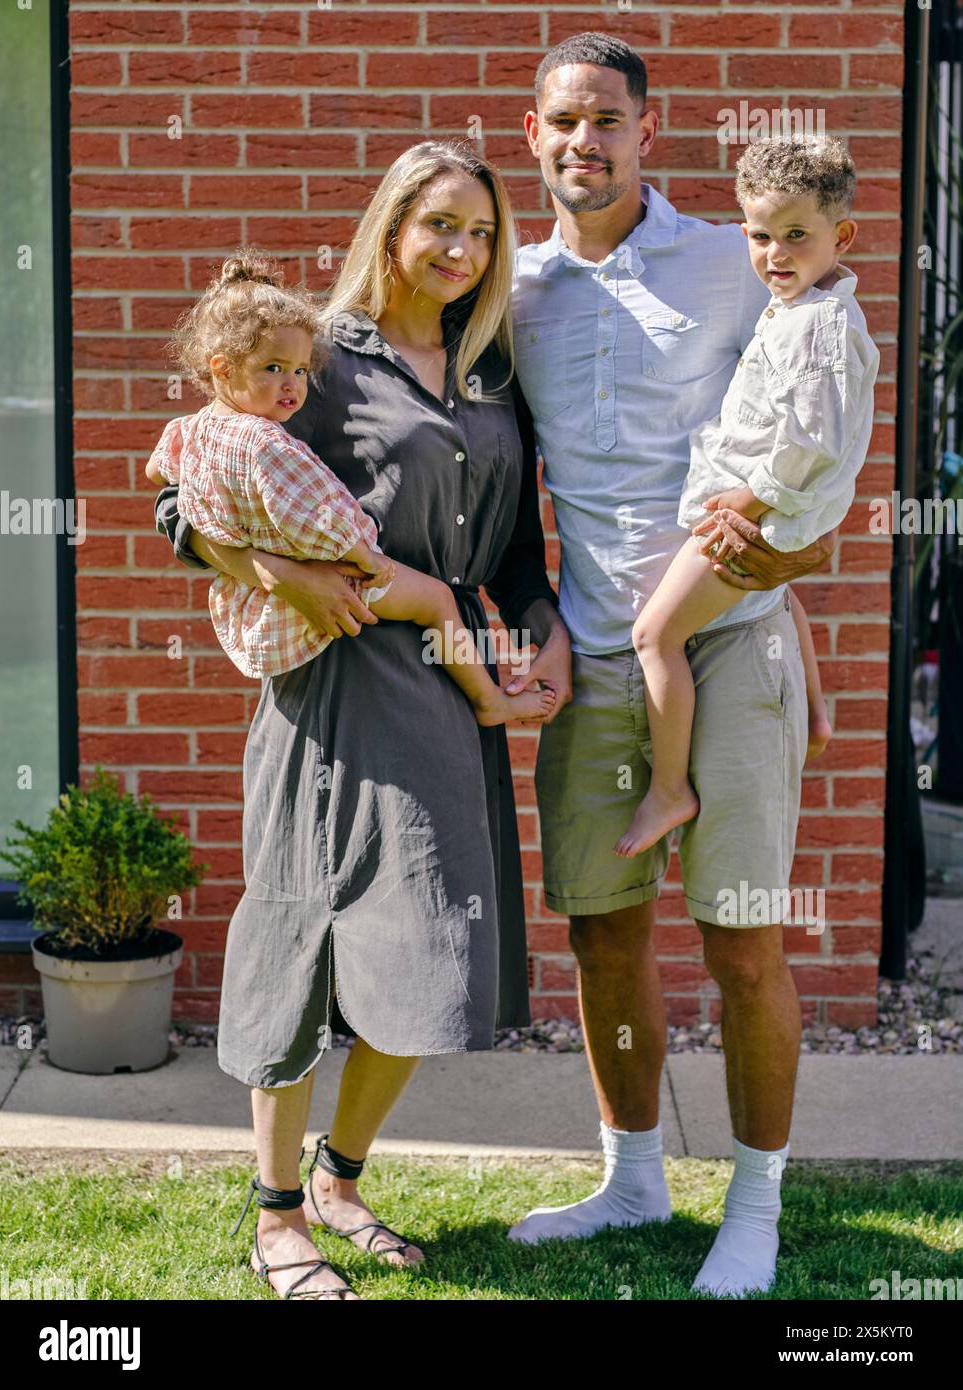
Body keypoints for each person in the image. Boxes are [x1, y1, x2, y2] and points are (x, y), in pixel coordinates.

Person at [152, 142, 571, 1300]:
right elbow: (180, 489)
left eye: (482, 233)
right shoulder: (318, 355)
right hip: (333, 684)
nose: (461, 251)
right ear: (391, 227)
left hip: (446, 684)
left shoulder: (489, 372)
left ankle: (343, 1176)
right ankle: (276, 1214)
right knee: (304, 939)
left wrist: (539, 623)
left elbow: (516, 543)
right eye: (440, 224)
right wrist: (269, 573)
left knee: (433, 940)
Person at [504, 31, 855, 1298]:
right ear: (532, 133)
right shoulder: (515, 290)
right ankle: (632, 1175)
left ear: (647, 131)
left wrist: (796, 569)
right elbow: (477, 472)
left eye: (605, 119)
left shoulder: (734, 256)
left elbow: (824, 420)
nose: (581, 142)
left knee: (745, 941)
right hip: (597, 659)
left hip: (730, 643)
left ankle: (753, 1208)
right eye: (561, 121)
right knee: (603, 935)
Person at [145, 249, 554, 727]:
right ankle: (489, 700)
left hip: (270, 591)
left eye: (299, 370)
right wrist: (367, 557)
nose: (291, 386)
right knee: (437, 601)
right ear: (222, 368)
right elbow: (323, 517)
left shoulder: (192, 428)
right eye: (273, 368)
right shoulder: (269, 443)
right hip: (340, 576)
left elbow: (161, 473)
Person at [613, 135, 880, 857]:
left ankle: (670, 791)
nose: (776, 253)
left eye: (798, 235)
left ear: (841, 236)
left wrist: (750, 502)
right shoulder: (799, 312)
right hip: (771, 518)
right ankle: (817, 716)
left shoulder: (820, 325)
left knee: (655, 635)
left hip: (763, 519)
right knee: (776, 600)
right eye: (761, 236)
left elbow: (813, 440)